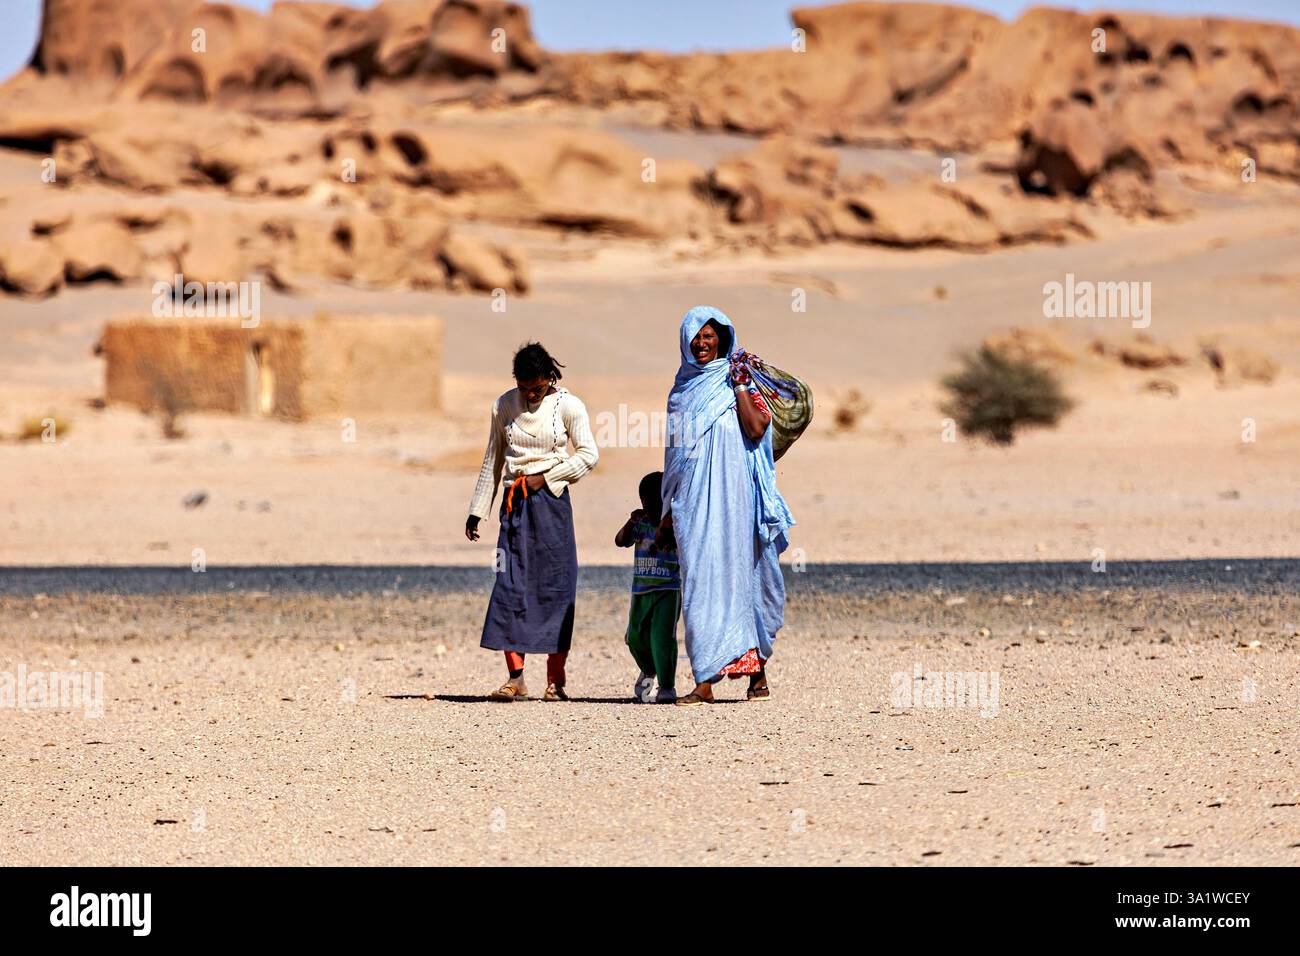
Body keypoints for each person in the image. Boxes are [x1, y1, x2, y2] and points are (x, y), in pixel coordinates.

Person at [658, 306, 794, 705]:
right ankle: (704, 681)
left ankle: (757, 677)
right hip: (694, 500)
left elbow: (756, 428)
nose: (702, 344)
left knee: (742, 576)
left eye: (709, 336)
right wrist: (668, 509)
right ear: (685, 341)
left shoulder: (739, 377)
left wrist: (737, 385)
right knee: (700, 579)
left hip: (736, 497)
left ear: (723, 338)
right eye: (695, 337)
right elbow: (675, 454)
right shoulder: (681, 389)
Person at [465, 342, 599, 702]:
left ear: (550, 379)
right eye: (524, 389)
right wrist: (479, 508)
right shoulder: (504, 405)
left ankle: (556, 680)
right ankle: (515, 678)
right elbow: (493, 458)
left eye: (537, 388)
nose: (530, 395)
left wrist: (548, 478)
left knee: (557, 587)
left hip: (552, 505)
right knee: (511, 585)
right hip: (515, 506)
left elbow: (589, 454)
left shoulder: (569, 406)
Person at [614, 471, 680, 704]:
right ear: (641, 501)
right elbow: (620, 540)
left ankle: (667, 686)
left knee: (662, 638)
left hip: (667, 591)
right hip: (641, 591)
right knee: (635, 636)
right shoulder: (640, 522)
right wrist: (631, 521)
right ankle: (648, 668)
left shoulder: (674, 524)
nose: (652, 507)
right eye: (647, 502)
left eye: (657, 502)